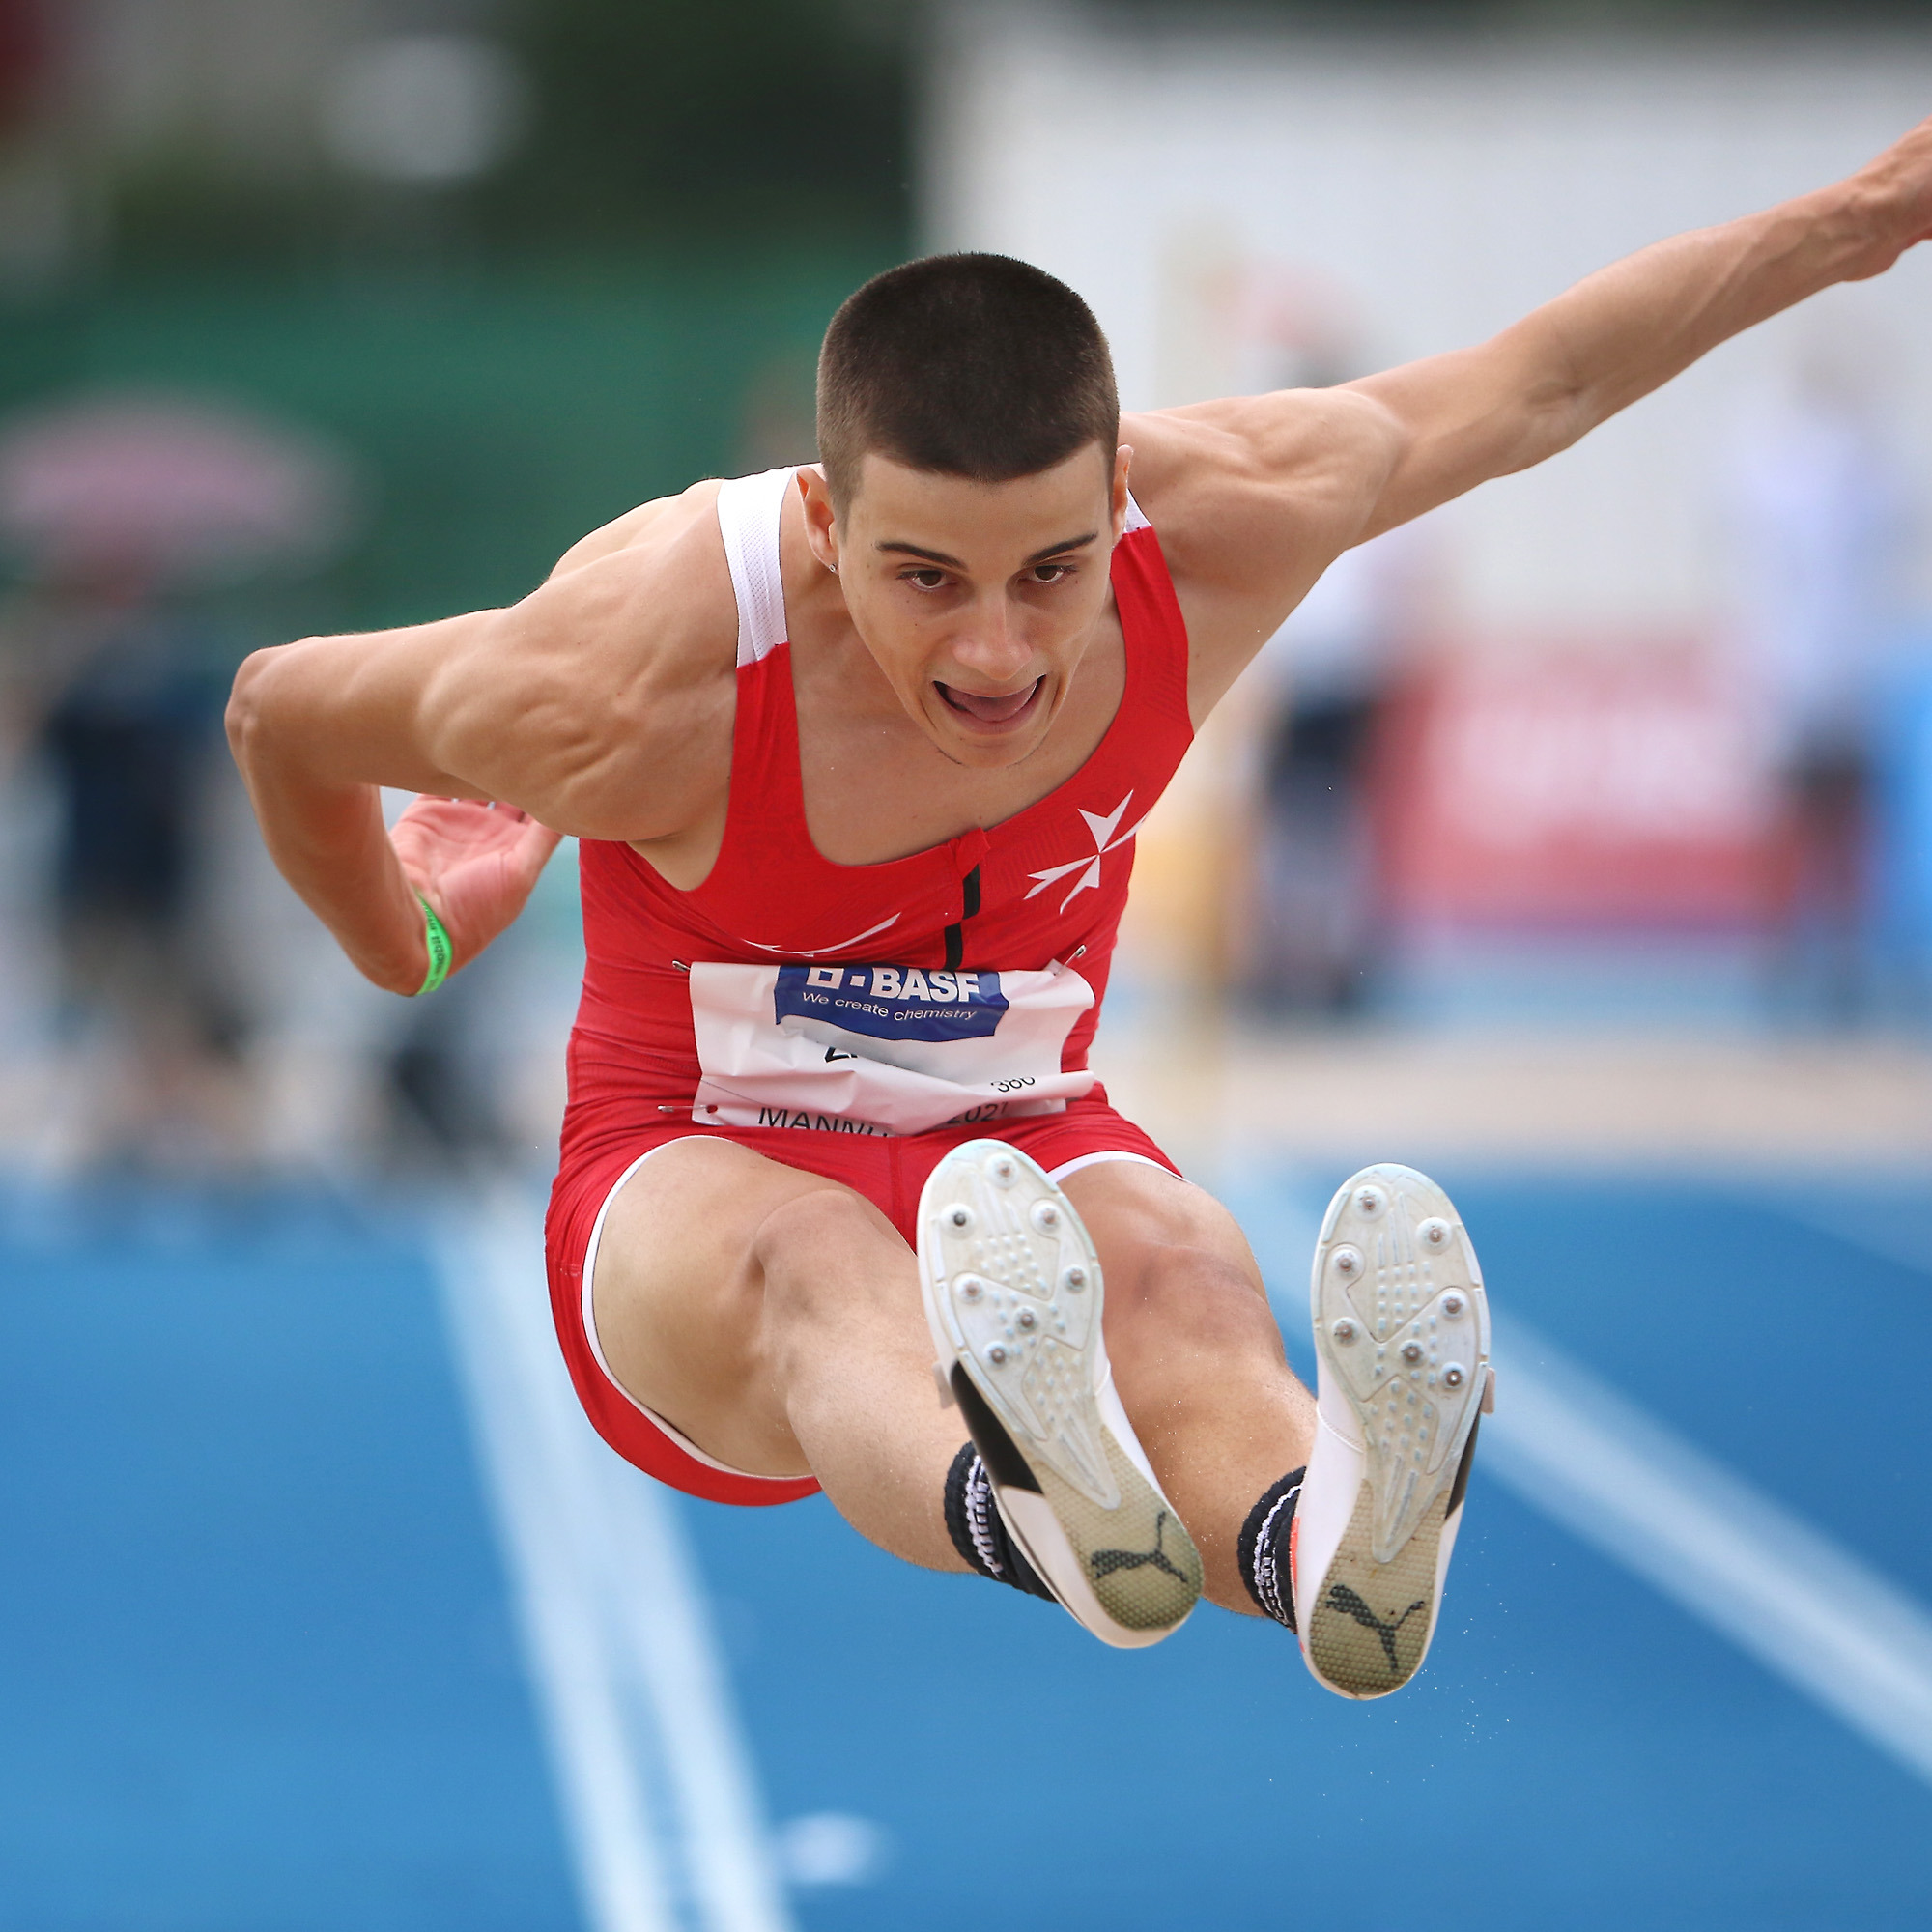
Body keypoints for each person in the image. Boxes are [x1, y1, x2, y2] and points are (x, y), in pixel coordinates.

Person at [226, 121, 1932, 1699]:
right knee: (822, 1264)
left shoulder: (1220, 527)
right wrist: (412, 929)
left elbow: (1541, 383)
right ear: (826, 523)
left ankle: (1322, 1542)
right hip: (696, 1163)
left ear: (1121, 495)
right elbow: (281, 708)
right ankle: (1031, 1496)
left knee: (1186, 1267)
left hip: (1024, 1126)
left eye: (1052, 570)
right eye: (927, 579)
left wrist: (1859, 218)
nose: (997, 654)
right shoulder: (638, 664)